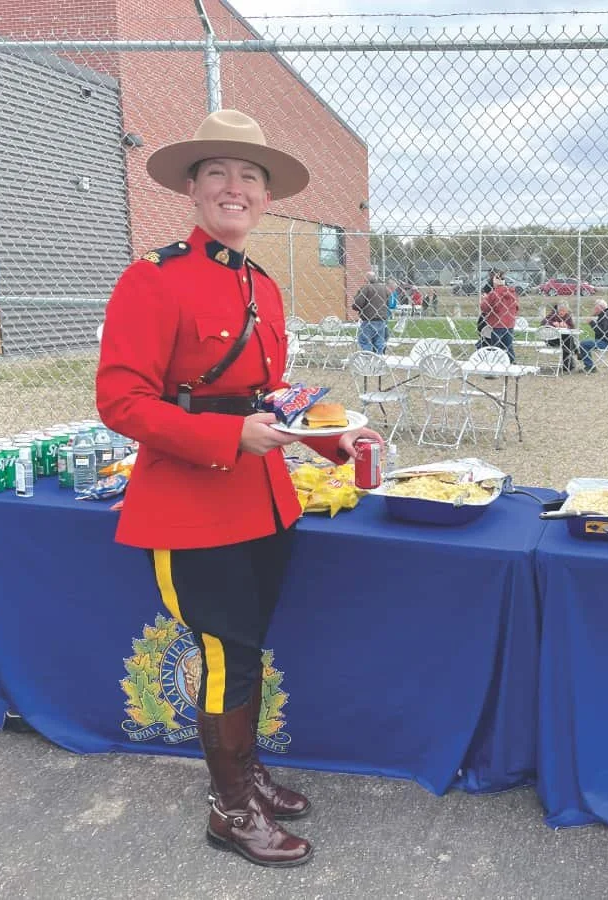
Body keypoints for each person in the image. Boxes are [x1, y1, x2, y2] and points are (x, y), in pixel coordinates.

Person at [96, 109, 384, 869]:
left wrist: (332, 437)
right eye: (218, 172)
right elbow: (121, 401)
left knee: (246, 652)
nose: (235, 188)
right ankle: (229, 810)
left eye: (250, 176)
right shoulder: (151, 278)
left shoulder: (263, 284)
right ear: (192, 188)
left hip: (264, 499)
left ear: (265, 197)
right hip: (190, 503)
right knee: (227, 656)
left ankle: (246, 773)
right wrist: (226, 438)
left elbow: (273, 397)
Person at [479, 270, 518, 362]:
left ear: (495, 282)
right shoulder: (512, 293)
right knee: (508, 345)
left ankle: (496, 361)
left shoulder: (494, 294)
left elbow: (485, 308)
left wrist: (484, 299)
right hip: (509, 324)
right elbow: (516, 308)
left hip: (497, 324)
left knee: (496, 346)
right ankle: (511, 361)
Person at [352, 270, 390, 354]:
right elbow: (388, 303)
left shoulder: (366, 288)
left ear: (367, 279)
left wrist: (355, 306)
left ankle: (368, 357)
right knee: (379, 342)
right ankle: (379, 359)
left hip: (369, 319)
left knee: (364, 340)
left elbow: (357, 304)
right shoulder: (384, 288)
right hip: (381, 319)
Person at [579, 299, 608, 372]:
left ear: (599, 308)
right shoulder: (605, 315)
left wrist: (592, 323)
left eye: (595, 308)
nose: (594, 310)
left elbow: (601, 331)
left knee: (583, 344)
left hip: (606, 343)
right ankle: (581, 355)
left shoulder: (606, 316)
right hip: (606, 341)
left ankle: (590, 367)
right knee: (586, 342)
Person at [541, 302, 577, 372]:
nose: (562, 312)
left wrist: (567, 326)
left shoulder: (568, 316)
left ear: (567, 311)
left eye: (564, 310)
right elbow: (543, 322)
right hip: (551, 340)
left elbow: (572, 327)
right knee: (568, 341)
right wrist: (553, 323)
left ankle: (567, 365)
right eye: (560, 310)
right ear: (557, 310)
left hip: (563, 339)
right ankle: (576, 351)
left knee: (568, 340)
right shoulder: (553, 314)